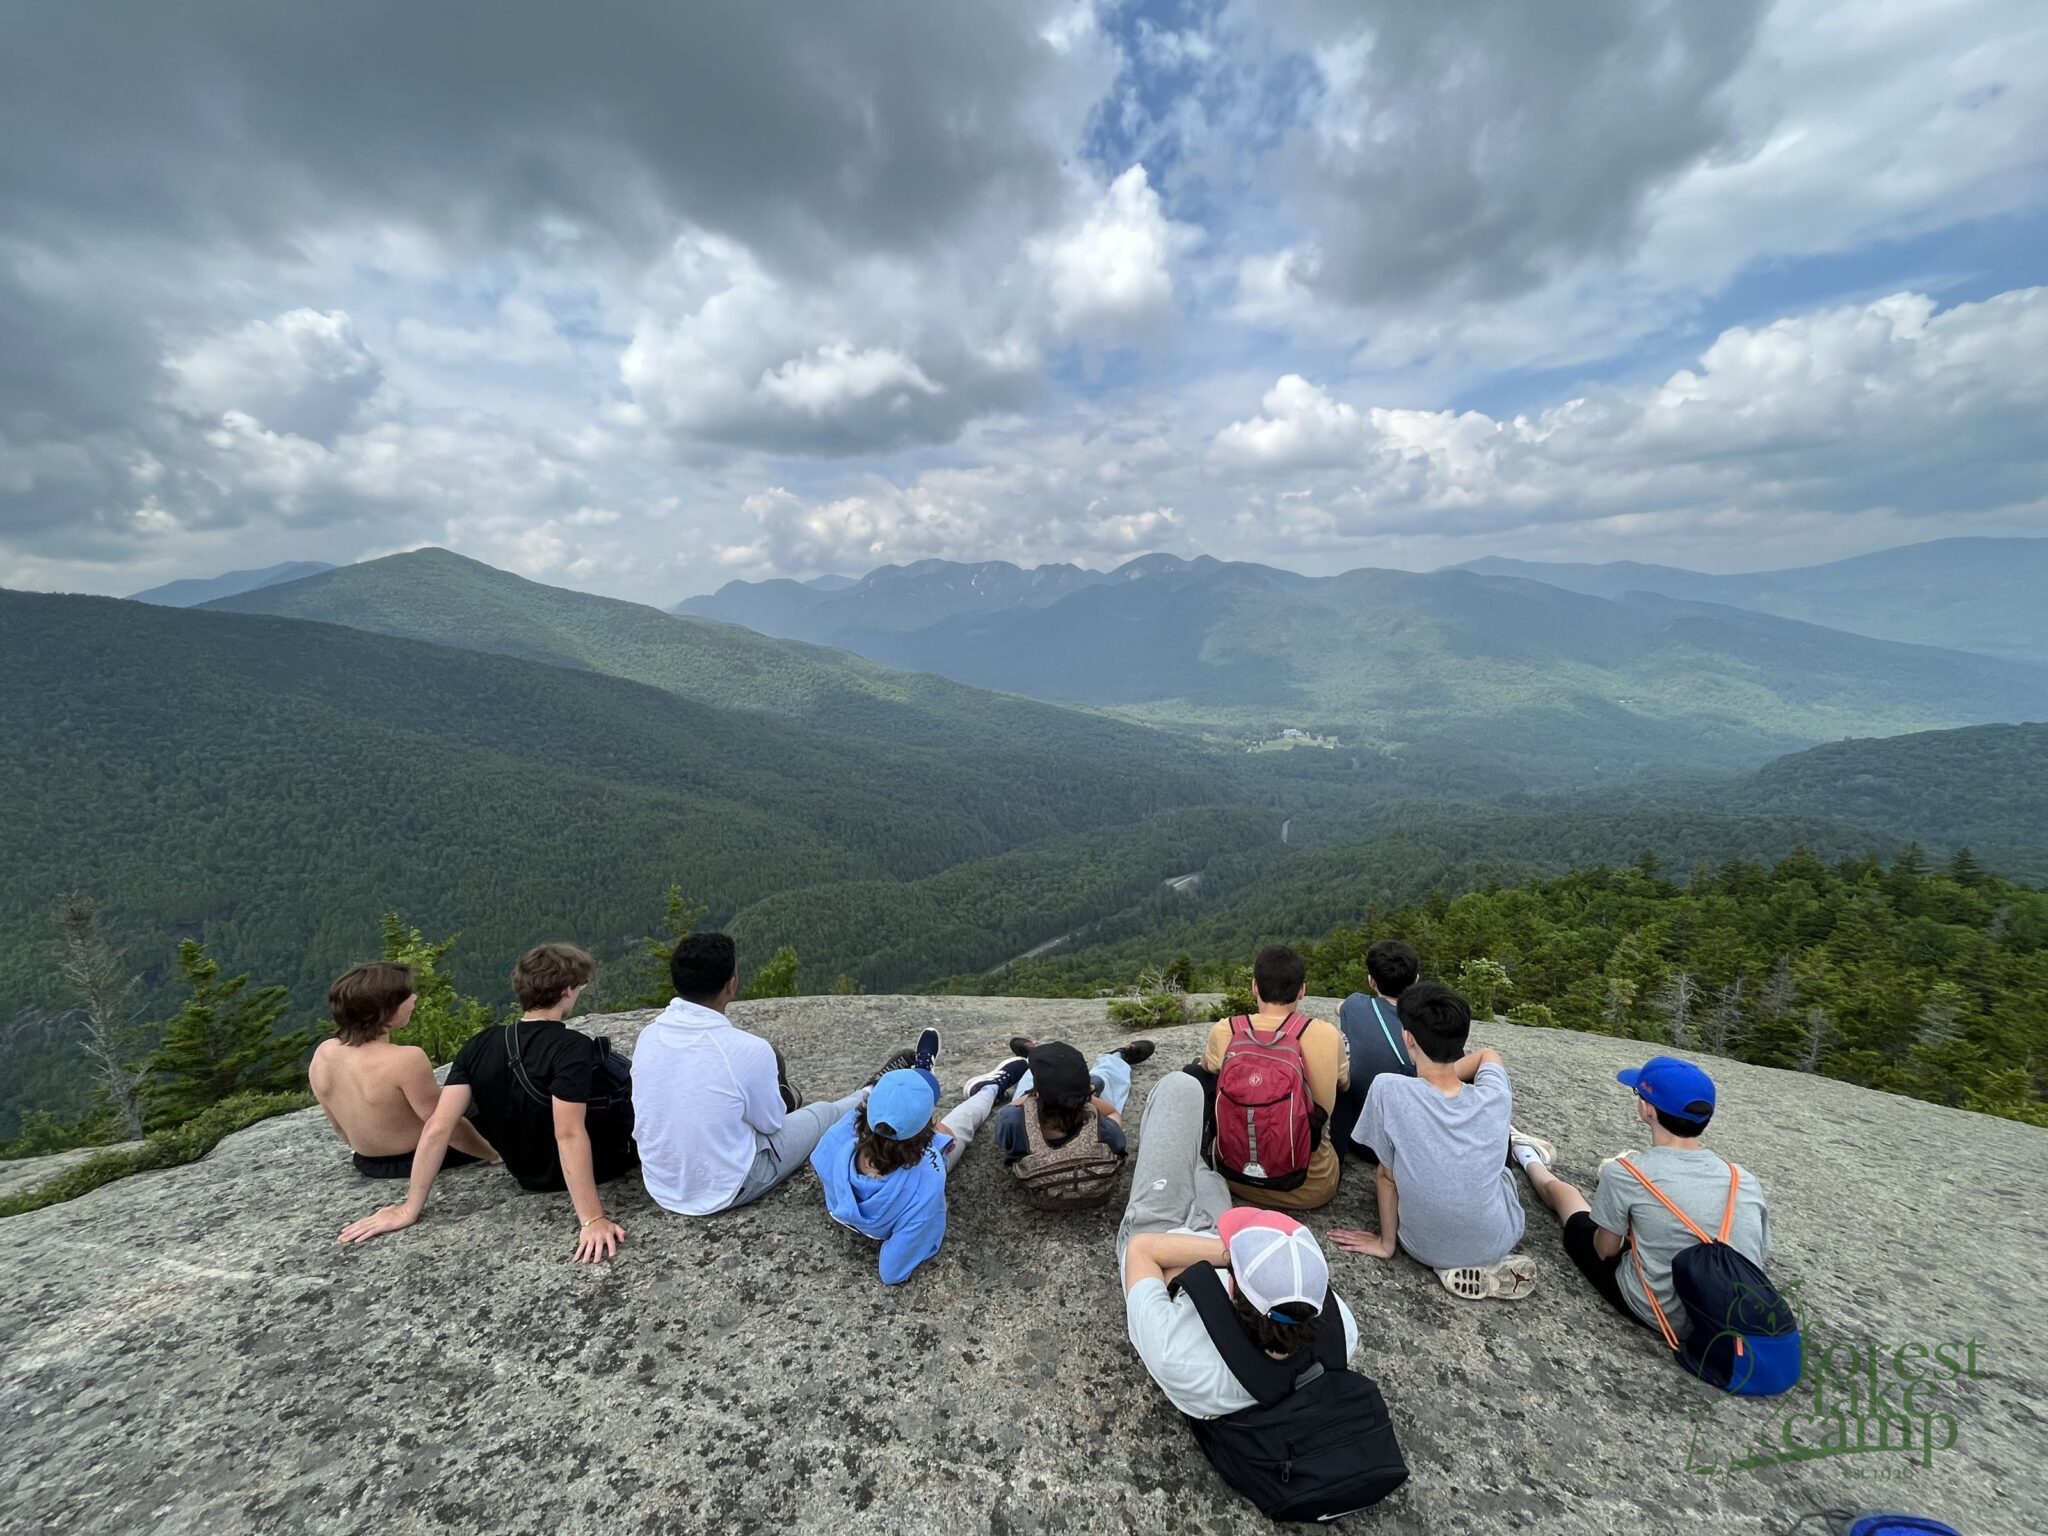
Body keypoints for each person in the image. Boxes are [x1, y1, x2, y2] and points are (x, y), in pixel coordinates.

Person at [338, 942, 638, 1264]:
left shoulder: (481, 1043)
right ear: (567, 991)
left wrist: (409, 1209)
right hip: (593, 1168)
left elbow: (438, 1127)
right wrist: (592, 1219)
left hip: (525, 1175)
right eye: (579, 986)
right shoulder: (572, 1047)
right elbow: (568, 1133)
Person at [1511, 1055, 1771, 1339]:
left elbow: (1605, 1251)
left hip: (1660, 1313)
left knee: (1574, 1216)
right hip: (1728, 1314)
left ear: (1647, 1109)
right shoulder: (1742, 1179)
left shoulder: (1626, 1174)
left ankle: (1530, 1159)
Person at [1328, 981, 1540, 1300]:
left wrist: (1386, 1245)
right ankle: (1480, 1256)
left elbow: (1387, 1177)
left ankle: (1446, 1264)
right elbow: (1488, 1055)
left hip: (1422, 1247)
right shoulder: (1496, 1096)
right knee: (1502, 1168)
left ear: (1408, 1037)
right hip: (1499, 1239)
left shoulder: (1389, 1089)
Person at [633, 933, 871, 1216]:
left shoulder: (648, 1036)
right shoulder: (747, 1050)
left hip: (661, 1184)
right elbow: (772, 1125)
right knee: (822, 1114)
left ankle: (775, 1092)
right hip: (728, 1187)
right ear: (731, 984)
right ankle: (872, 1091)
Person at [811, 1032, 1027, 1284]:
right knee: (964, 1122)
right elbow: (891, 1271)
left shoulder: (838, 1134)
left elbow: (823, 1160)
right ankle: (988, 1089)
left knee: (903, 1102)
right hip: (916, 1161)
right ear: (928, 1130)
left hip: (847, 1200)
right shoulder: (927, 1180)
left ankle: (922, 1069)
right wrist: (938, 1145)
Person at [309, 962, 499, 1179]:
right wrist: (492, 1154)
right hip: (417, 1157)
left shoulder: (324, 1053)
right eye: (406, 996)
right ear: (385, 1010)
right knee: (491, 1094)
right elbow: (444, 1125)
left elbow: (338, 1125)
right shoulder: (406, 1059)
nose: (414, 998)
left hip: (367, 1162)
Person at [1198, 945, 1349, 1210]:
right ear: (1302, 990)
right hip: (1309, 1189)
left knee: (1198, 1075)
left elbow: (1206, 1066)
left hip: (1234, 1178)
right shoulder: (1326, 1034)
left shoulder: (1226, 1030)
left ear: (1254, 986)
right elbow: (1344, 1083)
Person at [993, 1035, 1153, 1203]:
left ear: (1038, 1094)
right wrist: (1086, 1097)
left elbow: (1004, 1140)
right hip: (1078, 1104)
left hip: (1039, 1180)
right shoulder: (1101, 1128)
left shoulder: (1010, 1119)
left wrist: (1030, 1095)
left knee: (1029, 1081)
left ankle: (1032, 1056)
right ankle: (1118, 1057)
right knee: (1101, 1078)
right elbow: (1114, 1119)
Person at [1329, 939, 1421, 1157]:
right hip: (1411, 1146)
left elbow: (1338, 1007)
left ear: (1371, 981)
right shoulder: (1430, 1021)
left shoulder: (1354, 1005)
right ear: (1416, 980)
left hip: (1362, 1142)